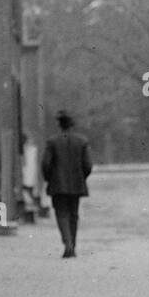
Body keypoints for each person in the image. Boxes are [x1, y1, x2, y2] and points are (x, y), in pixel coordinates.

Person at [40, 110, 92, 258]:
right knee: (74, 214)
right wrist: (82, 177)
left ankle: (67, 244)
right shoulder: (82, 141)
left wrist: (49, 179)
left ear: (60, 125)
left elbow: (45, 164)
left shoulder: (52, 142)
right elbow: (88, 165)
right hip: (77, 184)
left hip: (57, 185)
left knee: (61, 214)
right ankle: (73, 245)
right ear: (72, 125)